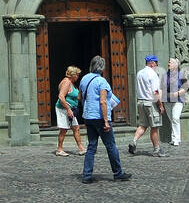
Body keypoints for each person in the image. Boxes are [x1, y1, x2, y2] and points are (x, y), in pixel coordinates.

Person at [79, 55, 130, 183]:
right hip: (100, 117)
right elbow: (103, 101)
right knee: (111, 145)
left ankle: (87, 175)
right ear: (102, 68)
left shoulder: (84, 79)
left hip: (88, 116)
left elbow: (80, 97)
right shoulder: (102, 82)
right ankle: (118, 173)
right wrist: (106, 121)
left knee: (91, 146)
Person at [130, 54, 167, 158]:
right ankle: (156, 149)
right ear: (152, 63)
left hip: (141, 102)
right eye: (156, 63)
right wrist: (160, 105)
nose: (157, 66)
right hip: (150, 103)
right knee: (154, 127)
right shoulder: (153, 74)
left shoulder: (139, 73)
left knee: (142, 125)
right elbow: (155, 92)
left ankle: (134, 141)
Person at [54, 65, 86, 156]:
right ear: (73, 75)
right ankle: (59, 149)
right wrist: (68, 109)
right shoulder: (66, 82)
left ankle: (81, 148)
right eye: (77, 75)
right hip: (63, 109)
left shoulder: (72, 83)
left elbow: (76, 97)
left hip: (71, 109)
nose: (78, 77)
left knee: (76, 127)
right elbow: (61, 96)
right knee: (64, 129)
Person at [161, 58, 188, 146]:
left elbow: (186, 87)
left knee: (175, 118)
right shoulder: (165, 75)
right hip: (167, 100)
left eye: (171, 62)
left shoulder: (181, 75)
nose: (168, 63)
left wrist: (177, 93)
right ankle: (173, 138)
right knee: (171, 119)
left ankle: (177, 139)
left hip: (178, 100)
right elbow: (161, 87)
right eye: (168, 62)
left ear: (176, 65)